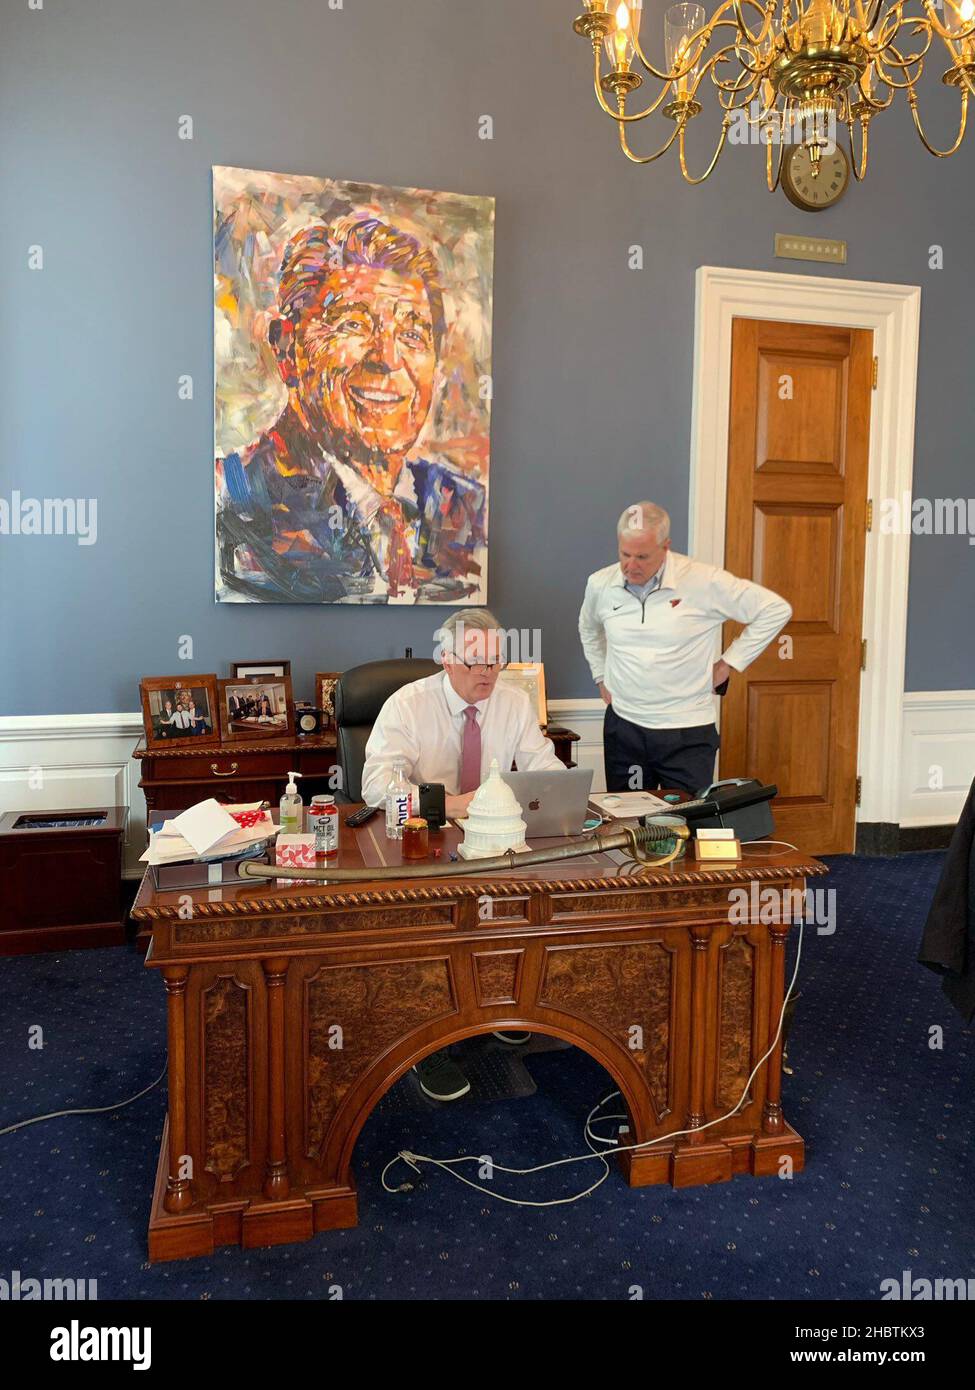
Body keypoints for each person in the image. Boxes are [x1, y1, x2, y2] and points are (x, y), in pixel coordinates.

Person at [215, 216, 486, 604]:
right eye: (353, 325)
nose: (389, 359)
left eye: (412, 335)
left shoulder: (467, 508)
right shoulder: (235, 502)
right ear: (287, 350)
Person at [360, 608, 566, 1100]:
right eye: (476, 663)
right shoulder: (408, 705)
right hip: (425, 843)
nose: (487, 674)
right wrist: (451, 806)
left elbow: (546, 769)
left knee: (524, 912)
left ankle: (499, 1008)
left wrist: (561, 795)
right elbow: (375, 788)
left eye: (495, 662)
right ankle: (425, 1045)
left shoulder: (514, 703)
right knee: (431, 929)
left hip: (494, 838)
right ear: (446, 659)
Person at [579, 501, 792, 796]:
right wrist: (600, 675)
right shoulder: (600, 584)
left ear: (666, 547)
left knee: (687, 824)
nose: (631, 565)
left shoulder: (703, 581)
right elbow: (588, 628)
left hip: (686, 731)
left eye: (642, 556)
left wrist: (729, 663)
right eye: (624, 554)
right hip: (624, 728)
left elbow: (774, 609)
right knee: (628, 823)